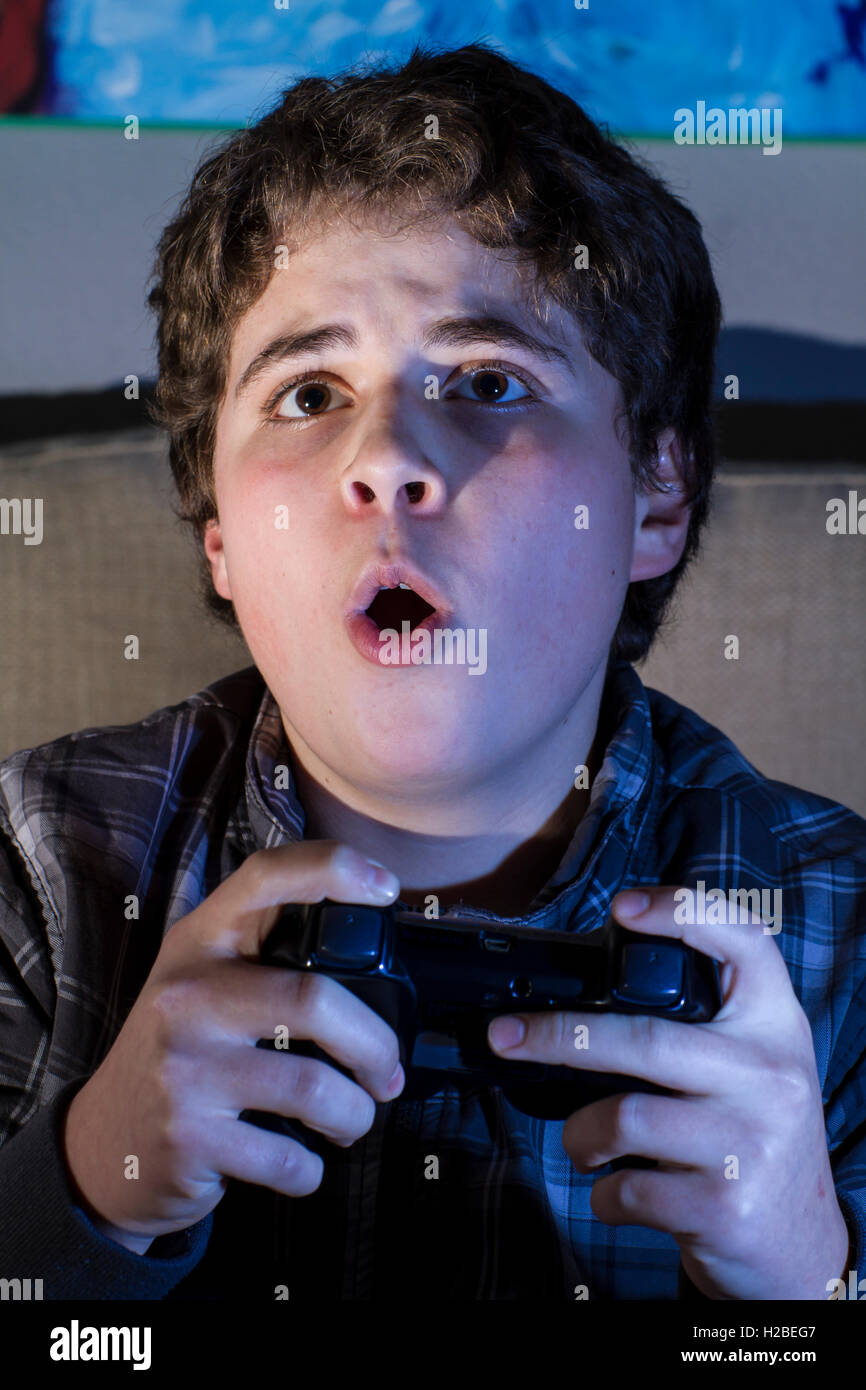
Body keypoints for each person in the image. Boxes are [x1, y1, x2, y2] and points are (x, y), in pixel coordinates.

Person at [0, 41, 863, 1302]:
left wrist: (802, 1283)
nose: (390, 456)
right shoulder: (36, 869)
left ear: (654, 497)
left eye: (487, 380)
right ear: (221, 536)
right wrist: (80, 1196)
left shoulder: (845, 934)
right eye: (306, 394)